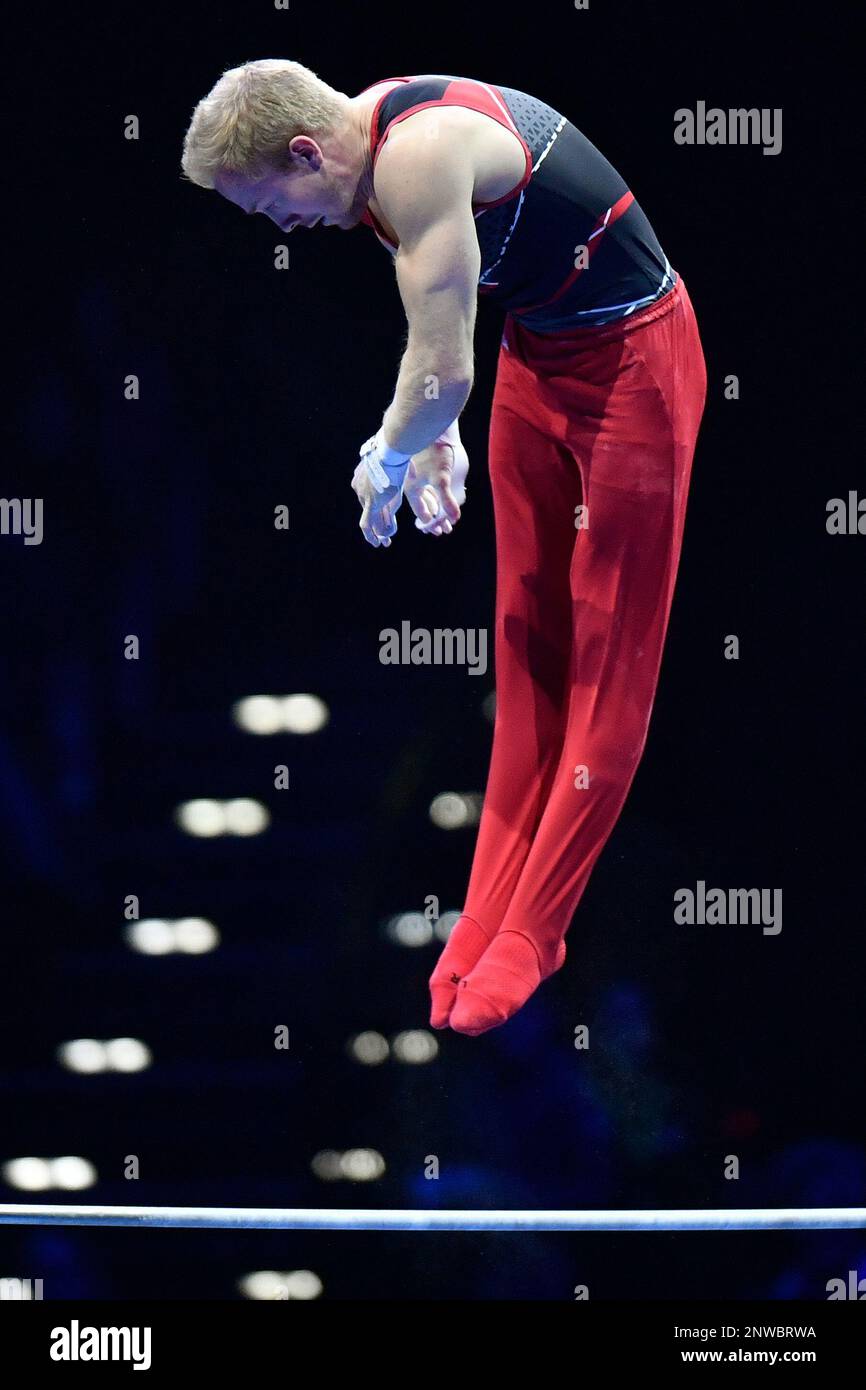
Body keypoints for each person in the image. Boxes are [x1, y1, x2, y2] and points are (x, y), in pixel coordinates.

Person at [182, 61, 707, 1036]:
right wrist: (434, 431)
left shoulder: (414, 151)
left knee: (607, 663)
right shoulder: (370, 154)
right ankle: (485, 912)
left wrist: (393, 445)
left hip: (637, 361)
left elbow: (441, 365)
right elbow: (442, 315)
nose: (277, 229)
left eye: (268, 206)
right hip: (538, 355)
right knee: (523, 652)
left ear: (304, 152)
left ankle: (533, 931)